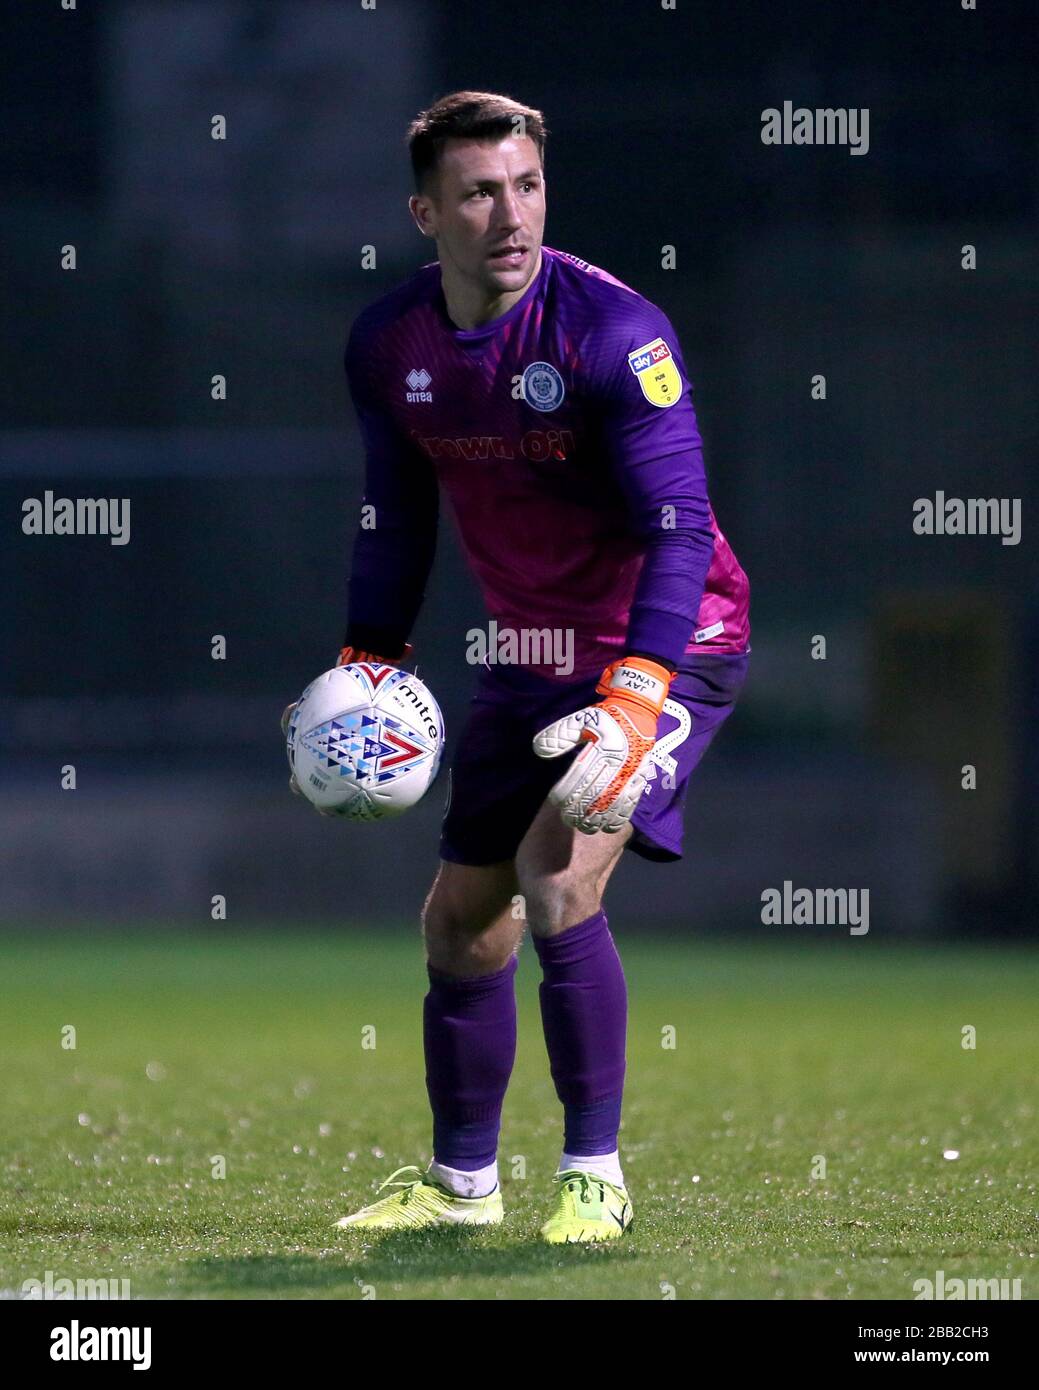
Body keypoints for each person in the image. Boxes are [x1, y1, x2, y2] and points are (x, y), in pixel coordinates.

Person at [294, 90, 750, 1243]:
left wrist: (638, 694)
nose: (511, 214)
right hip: (531, 651)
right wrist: (368, 660)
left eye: (528, 185)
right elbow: (397, 514)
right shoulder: (389, 344)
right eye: (480, 193)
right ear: (425, 214)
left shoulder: (615, 334)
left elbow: (680, 528)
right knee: (458, 920)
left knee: (555, 874)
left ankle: (594, 1176)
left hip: (670, 642)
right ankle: (461, 1189)